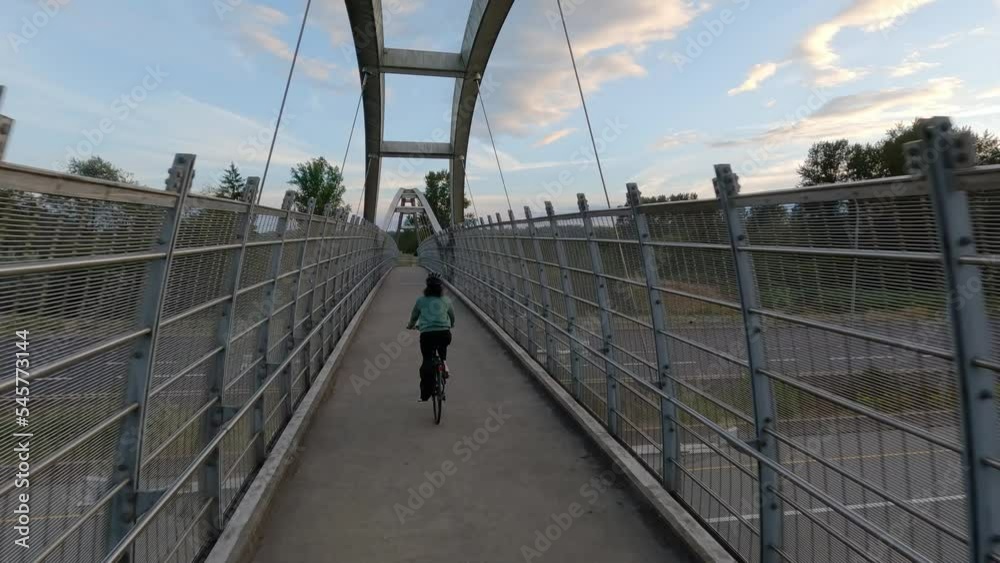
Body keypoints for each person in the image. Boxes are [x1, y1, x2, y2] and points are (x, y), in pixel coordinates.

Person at [406, 274, 455, 401]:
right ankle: (444, 363)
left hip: (427, 335)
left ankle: (425, 395)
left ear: (427, 288)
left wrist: (410, 326)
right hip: (444, 333)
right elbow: (452, 316)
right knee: (443, 344)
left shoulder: (421, 301)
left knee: (427, 360)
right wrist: (451, 324)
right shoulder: (446, 300)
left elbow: (414, 317)